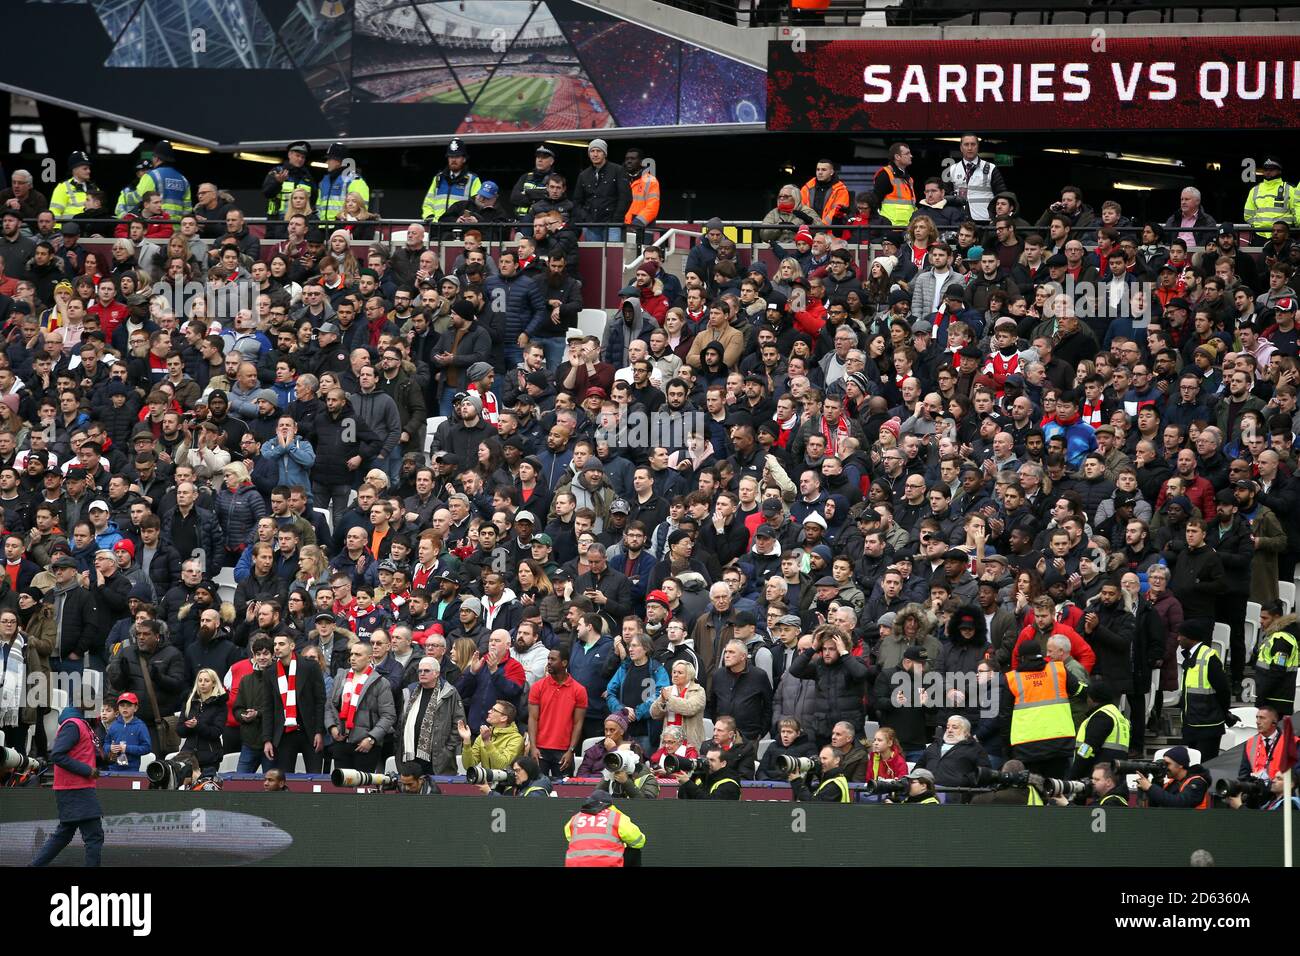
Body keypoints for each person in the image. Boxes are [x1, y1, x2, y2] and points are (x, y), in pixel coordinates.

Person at [30, 706, 104, 867]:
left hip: (75, 788)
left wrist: (107, 758)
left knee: (64, 834)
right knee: (94, 836)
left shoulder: (82, 724)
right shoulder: (73, 725)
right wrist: (87, 770)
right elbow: (57, 755)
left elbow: (83, 754)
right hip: (76, 789)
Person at [1002, 639, 1081, 778]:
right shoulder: (1058, 669)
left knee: (1033, 791)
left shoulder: (1012, 678)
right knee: (1057, 789)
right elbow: (1078, 690)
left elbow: (1004, 716)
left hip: (1026, 746)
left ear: (1021, 658)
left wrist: (1007, 747)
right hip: (1059, 742)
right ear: (1041, 654)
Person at [326, 639, 396, 772]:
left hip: (365, 745)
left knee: (362, 788)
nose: (352, 658)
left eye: (358, 655)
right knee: (341, 788)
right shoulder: (340, 677)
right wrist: (332, 727)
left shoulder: (381, 683)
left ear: (369, 658)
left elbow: (388, 716)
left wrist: (371, 738)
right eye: (352, 654)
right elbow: (329, 705)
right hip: (341, 743)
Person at [262, 632, 326, 774]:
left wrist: (319, 731)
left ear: (292, 646)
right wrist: (267, 739)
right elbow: (268, 707)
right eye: (275, 644)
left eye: (281, 644)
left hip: (308, 731)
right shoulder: (270, 672)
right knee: (285, 779)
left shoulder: (310, 667)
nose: (277, 647)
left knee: (314, 777)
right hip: (284, 734)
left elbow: (320, 701)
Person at [527, 644, 589, 779]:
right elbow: (532, 718)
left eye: (553, 659)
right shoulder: (538, 687)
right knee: (534, 789)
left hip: (563, 751)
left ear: (564, 663)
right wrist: (533, 747)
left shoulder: (579, 690)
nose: (548, 662)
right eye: (548, 658)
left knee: (564, 791)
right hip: (540, 749)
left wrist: (571, 750)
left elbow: (578, 723)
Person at [397, 655, 464, 776]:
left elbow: (459, 724)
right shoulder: (410, 692)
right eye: (420, 671)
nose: (422, 673)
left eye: (426, 670)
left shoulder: (449, 693)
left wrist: (447, 749)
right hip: (410, 754)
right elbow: (401, 721)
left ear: (436, 673)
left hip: (438, 756)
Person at [1176, 618, 1231, 760]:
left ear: (1190, 637)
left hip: (1208, 726)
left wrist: (1223, 713)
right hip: (1192, 723)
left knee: (1205, 766)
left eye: (1181, 635)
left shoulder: (1209, 657)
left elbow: (1223, 690)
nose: (1178, 639)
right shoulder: (1190, 655)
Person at [563, 789, 646, 867]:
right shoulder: (616, 817)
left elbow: (570, 838)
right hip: (606, 864)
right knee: (634, 851)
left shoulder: (575, 818)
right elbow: (638, 841)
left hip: (576, 864)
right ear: (610, 805)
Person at [1070, 680, 1130, 781]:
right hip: (1114, 776)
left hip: (1099, 777)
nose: (1087, 700)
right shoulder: (1119, 716)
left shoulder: (1101, 716)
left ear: (1093, 699)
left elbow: (1087, 749)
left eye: (1088, 697)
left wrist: (1073, 775)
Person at [177, 667, 228, 776]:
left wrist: (197, 725)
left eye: (206, 680)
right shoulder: (189, 701)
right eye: (200, 680)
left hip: (210, 757)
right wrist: (187, 726)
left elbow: (216, 732)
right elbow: (179, 731)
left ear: (214, 683)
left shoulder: (220, 705)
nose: (202, 684)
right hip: (188, 756)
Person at [1135, 745, 1211, 809]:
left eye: (1167, 764)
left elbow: (1178, 803)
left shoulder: (1198, 783)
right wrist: (1158, 781)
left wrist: (1150, 788)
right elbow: (1155, 806)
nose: (1164, 767)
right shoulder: (1172, 783)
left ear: (1180, 764)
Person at [459, 700, 525, 772]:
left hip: (507, 782)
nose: (489, 711)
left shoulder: (516, 739)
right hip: (486, 781)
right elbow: (469, 766)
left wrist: (487, 742)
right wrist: (466, 741)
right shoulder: (484, 736)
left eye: (494, 710)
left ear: (504, 718)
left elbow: (502, 766)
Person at [101, 691, 152, 771]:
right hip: (113, 768)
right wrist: (110, 748)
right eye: (122, 705)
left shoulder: (140, 726)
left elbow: (147, 748)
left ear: (135, 708)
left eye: (129, 705)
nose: (125, 708)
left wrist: (127, 748)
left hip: (132, 769)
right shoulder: (114, 725)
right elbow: (105, 744)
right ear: (118, 708)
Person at [674, 742, 742, 799]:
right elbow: (683, 798)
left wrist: (688, 783)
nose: (707, 763)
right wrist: (688, 780)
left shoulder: (730, 784)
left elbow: (710, 804)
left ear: (723, 763)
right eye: (707, 759)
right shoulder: (701, 778)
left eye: (712, 760)